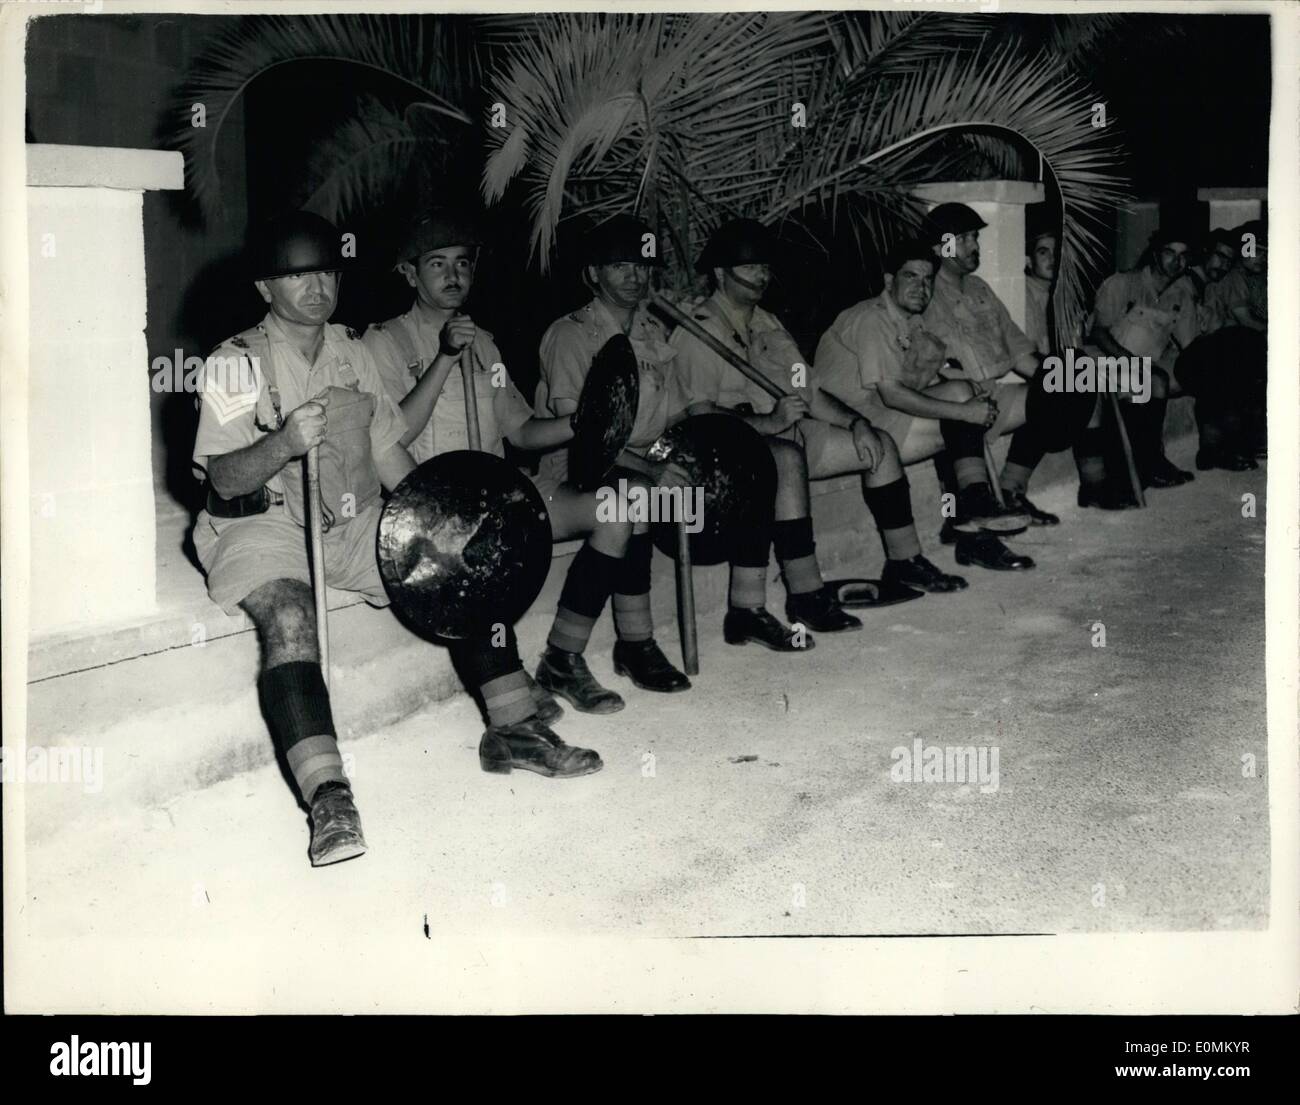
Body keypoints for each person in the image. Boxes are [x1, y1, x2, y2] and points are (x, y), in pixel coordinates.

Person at [670, 218, 967, 620]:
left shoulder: (768, 323)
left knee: (879, 443)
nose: (760, 276)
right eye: (750, 267)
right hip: (726, 453)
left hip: (786, 431)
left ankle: (904, 560)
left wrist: (856, 423)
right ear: (721, 274)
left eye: (764, 267)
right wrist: (769, 424)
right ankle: (805, 594)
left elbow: (808, 391)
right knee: (787, 458)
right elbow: (700, 418)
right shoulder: (697, 332)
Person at [919, 203, 1088, 565]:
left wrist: (1065, 383)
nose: (973, 245)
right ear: (938, 247)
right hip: (942, 404)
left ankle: (1010, 491)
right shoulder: (923, 291)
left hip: (991, 394)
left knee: (1066, 379)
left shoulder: (979, 289)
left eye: (974, 237)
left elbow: (1020, 353)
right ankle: (970, 533)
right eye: (963, 238)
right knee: (962, 409)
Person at [1084, 211, 1201, 492]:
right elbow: (1097, 332)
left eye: (1184, 255)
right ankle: (1148, 462)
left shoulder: (1181, 296)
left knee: (1187, 373)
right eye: (1170, 253)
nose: (1176, 260)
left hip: (1146, 366)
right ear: (1155, 254)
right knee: (1153, 380)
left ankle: (1153, 459)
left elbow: (1190, 346)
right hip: (1105, 361)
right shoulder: (1123, 283)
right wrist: (1127, 358)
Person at [1174, 220, 1267, 469]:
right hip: (1182, 360)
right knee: (1227, 364)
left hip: (1203, 357)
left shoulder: (1213, 286)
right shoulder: (1185, 285)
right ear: (1205, 253)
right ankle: (1220, 448)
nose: (1224, 265)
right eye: (1220, 257)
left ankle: (1218, 448)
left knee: (1235, 359)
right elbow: (1189, 343)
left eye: (1229, 260)